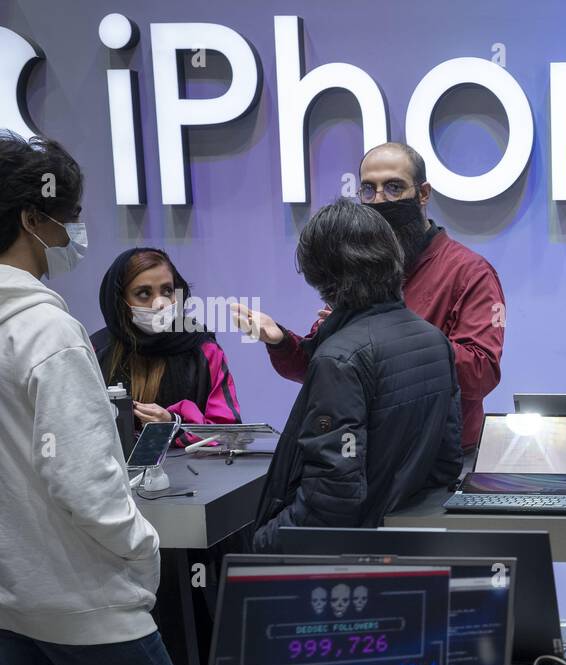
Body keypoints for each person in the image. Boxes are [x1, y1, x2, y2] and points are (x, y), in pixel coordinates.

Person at [0, 132, 185, 665]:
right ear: (32, 219)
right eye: (69, 214)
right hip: (84, 599)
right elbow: (83, 483)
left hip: (11, 599)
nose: (74, 231)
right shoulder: (47, 330)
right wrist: (140, 547)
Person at [236, 141, 504, 452]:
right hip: (369, 453)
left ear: (423, 193)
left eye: (393, 187)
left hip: (440, 454)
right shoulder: (358, 269)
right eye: (368, 190)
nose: (379, 200)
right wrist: (281, 341)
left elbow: (481, 374)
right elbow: (320, 368)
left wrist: (391, 335)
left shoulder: (470, 272)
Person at [251, 197, 463, 551]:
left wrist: (263, 543)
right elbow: (446, 462)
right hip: (404, 552)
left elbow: (332, 496)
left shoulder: (339, 359)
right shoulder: (433, 339)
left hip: (344, 560)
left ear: (320, 273)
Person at [91, 247, 241, 438]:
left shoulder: (203, 348)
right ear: (121, 301)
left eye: (167, 291)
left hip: (194, 467)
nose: (160, 303)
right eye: (144, 293)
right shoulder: (97, 351)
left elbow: (230, 434)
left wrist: (174, 425)